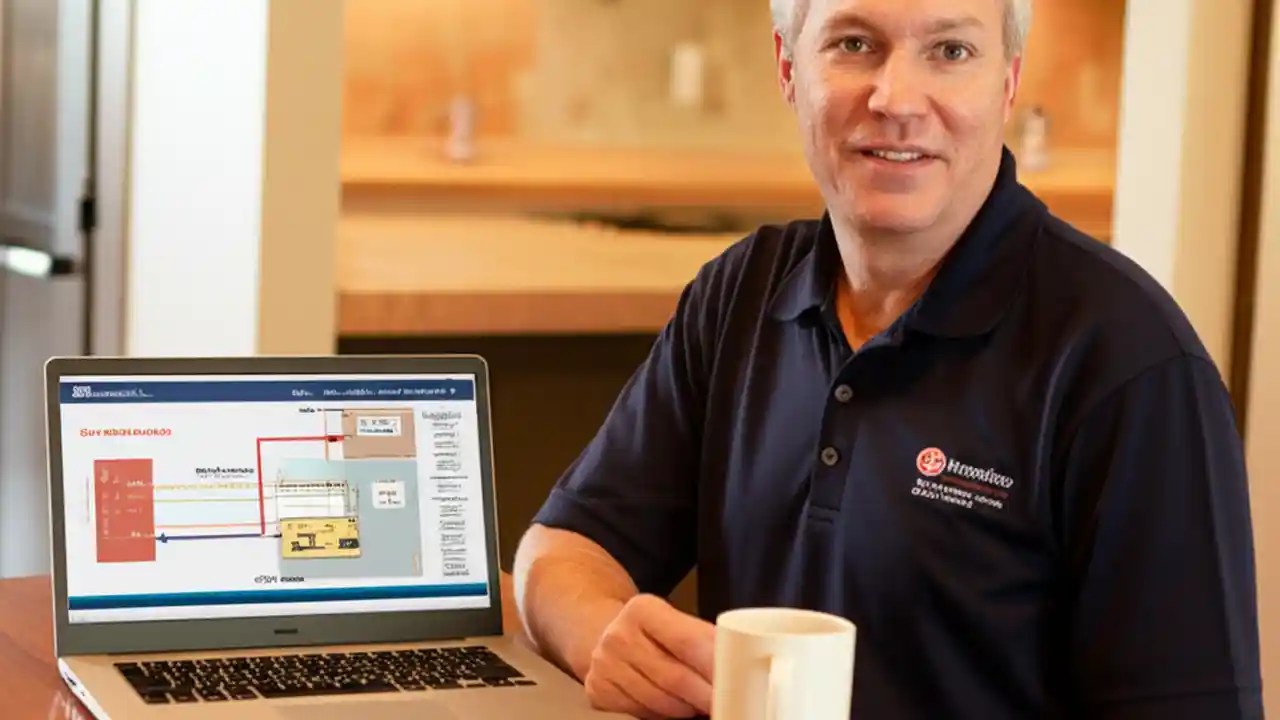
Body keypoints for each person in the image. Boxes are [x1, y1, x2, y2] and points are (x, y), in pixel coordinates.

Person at [512, 0, 1265, 717]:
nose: (896, 97)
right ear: (787, 66)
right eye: (854, 44)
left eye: (950, 50)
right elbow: (564, 547)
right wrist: (600, 635)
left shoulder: (1128, 366)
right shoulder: (738, 295)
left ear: (1006, 82)